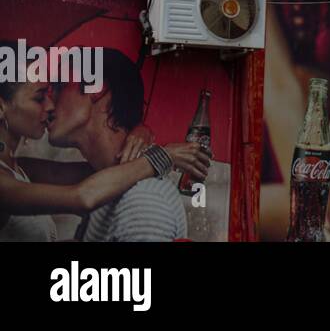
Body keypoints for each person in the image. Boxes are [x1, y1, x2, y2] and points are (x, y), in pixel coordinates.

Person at [0, 42, 209, 242]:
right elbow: (82, 195)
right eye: (39, 97)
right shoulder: (109, 190)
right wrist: (162, 156)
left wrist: (141, 133)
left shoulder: (144, 199)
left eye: (60, 86)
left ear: (96, 88)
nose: (50, 104)